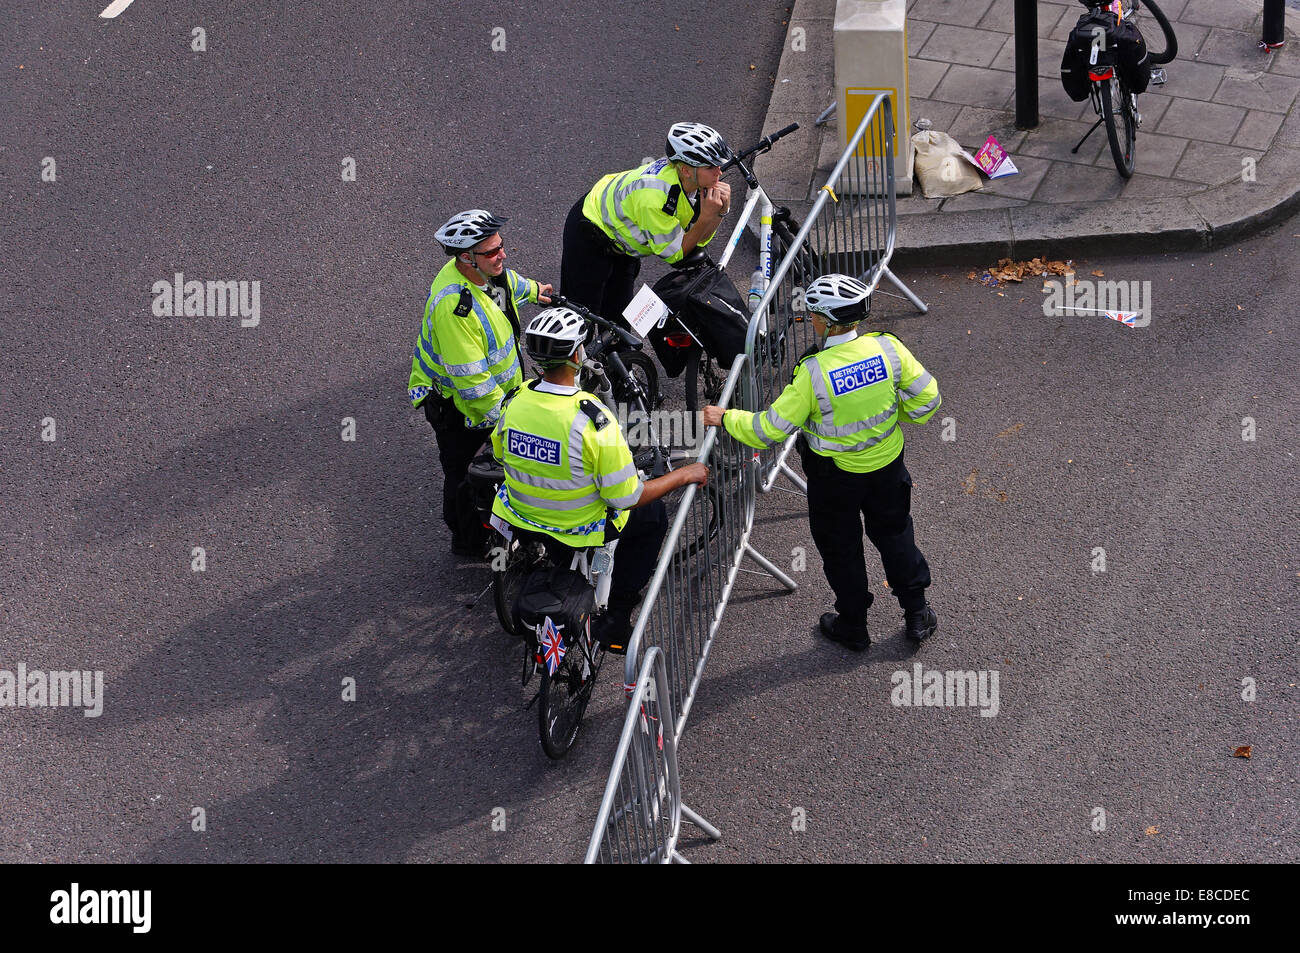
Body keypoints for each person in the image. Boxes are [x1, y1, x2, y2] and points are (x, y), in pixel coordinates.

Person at [701, 274, 941, 650]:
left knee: (842, 551)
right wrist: (894, 418)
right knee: (896, 537)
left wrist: (726, 418)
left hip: (834, 480)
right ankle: (917, 614)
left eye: (814, 313)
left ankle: (854, 627)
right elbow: (928, 401)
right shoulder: (888, 348)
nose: (810, 318)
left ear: (827, 321)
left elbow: (769, 430)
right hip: (888, 467)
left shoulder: (813, 372)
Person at [491, 307, 709, 652]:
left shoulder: (514, 400)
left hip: (521, 518)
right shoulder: (593, 419)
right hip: (579, 527)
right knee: (652, 520)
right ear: (578, 355)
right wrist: (684, 474)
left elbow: (502, 456)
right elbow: (628, 496)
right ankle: (618, 617)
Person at [408, 209, 553, 557]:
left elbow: (507, 282)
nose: (501, 254)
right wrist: (505, 420)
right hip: (458, 409)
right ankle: (469, 542)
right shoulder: (454, 309)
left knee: (487, 468)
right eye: (491, 252)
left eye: (501, 246)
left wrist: (535, 291)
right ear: (465, 258)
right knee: (464, 476)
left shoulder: (485, 272)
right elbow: (473, 384)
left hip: (493, 397)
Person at [560, 122, 733, 324]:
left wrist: (719, 213)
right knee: (582, 317)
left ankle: (619, 355)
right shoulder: (655, 199)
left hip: (621, 242)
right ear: (686, 170)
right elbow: (676, 255)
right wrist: (706, 217)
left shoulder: (692, 184)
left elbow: (697, 241)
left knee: (619, 317)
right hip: (589, 233)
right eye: (711, 166)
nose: (719, 172)